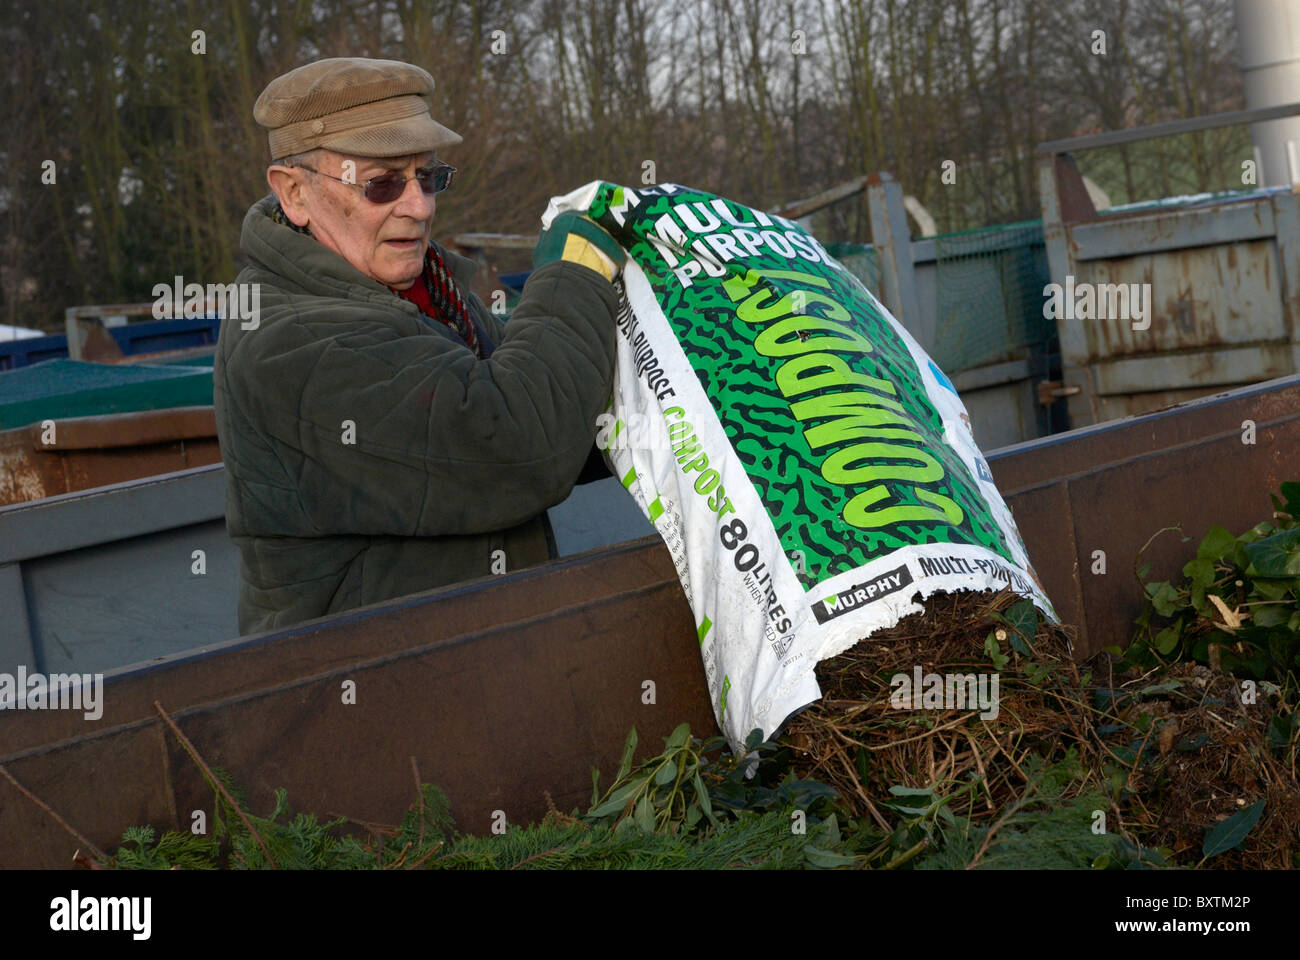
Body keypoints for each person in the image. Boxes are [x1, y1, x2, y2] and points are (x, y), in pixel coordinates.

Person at [213, 57, 627, 636]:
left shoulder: (425, 290)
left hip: (469, 670)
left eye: (427, 177)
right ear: (294, 194)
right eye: (382, 183)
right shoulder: (294, 341)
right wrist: (572, 273)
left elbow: (567, 419)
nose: (420, 205)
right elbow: (516, 444)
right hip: (373, 697)